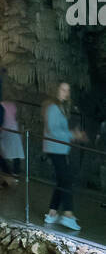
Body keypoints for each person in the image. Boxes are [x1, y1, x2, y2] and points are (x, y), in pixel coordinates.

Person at [43, 82, 85, 231]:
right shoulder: (53, 108)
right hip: (55, 149)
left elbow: (57, 130)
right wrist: (72, 134)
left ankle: (52, 213)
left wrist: (72, 134)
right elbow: (53, 131)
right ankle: (68, 215)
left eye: (67, 90)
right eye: (62, 89)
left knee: (62, 180)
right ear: (56, 90)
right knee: (66, 180)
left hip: (58, 149)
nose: (65, 93)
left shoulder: (59, 107)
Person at [0, 98, 24, 186]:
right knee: (16, 153)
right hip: (13, 130)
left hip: (6, 132)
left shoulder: (0, 105)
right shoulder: (12, 104)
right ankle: (15, 175)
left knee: (3, 155)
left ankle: (10, 177)